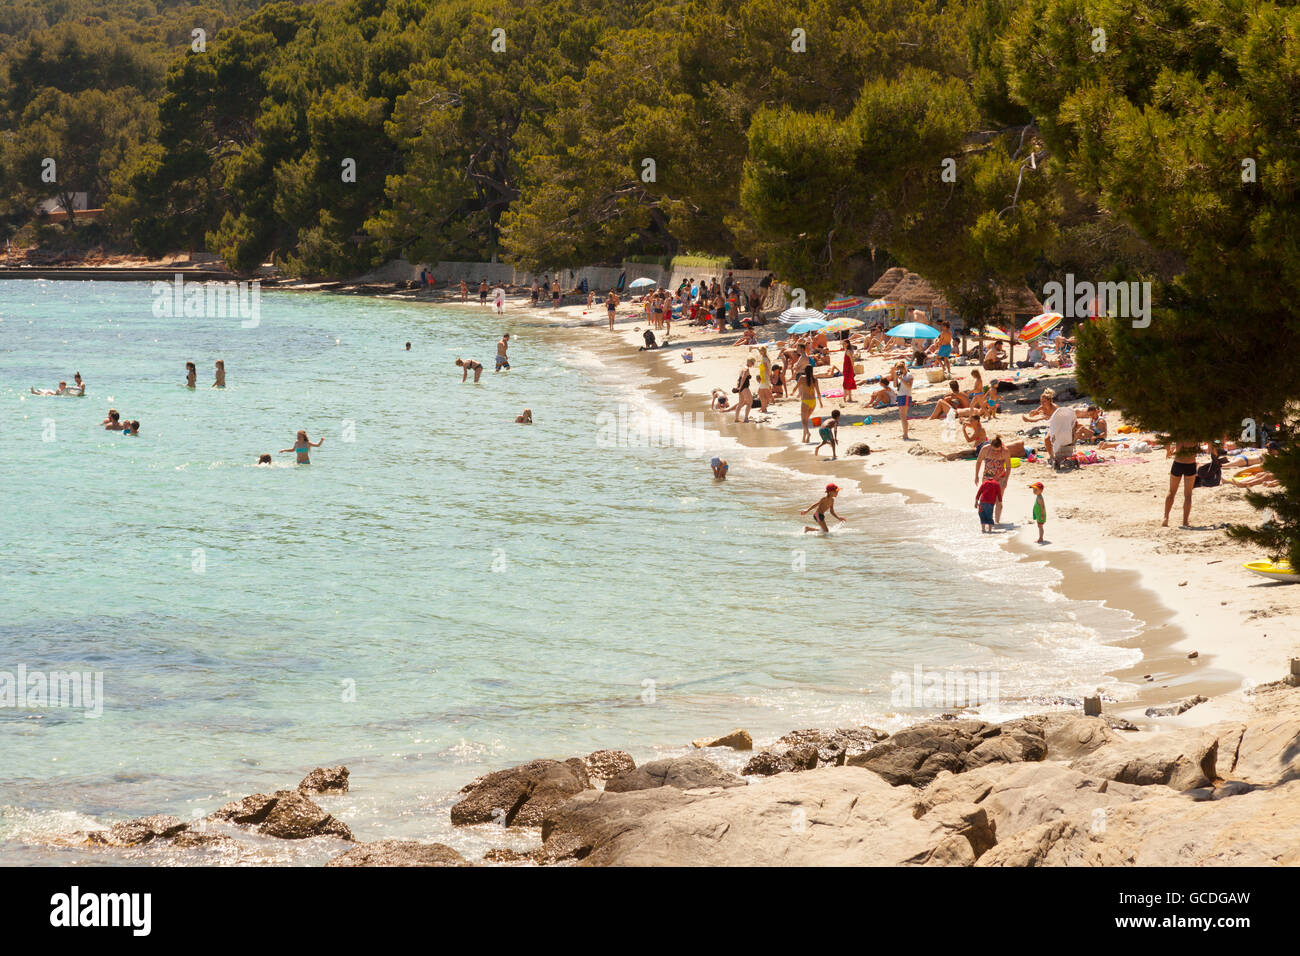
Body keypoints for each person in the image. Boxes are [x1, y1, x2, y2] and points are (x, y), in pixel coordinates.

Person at [975, 436, 1012, 523]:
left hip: (1000, 477)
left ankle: (997, 522)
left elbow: (1008, 467)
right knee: (986, 500)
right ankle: (985, 520)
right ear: (990, 446)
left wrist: (1006, 480)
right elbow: (979, 461)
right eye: (993, 450)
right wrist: (976, 475)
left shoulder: (1005, 451)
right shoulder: (985, 449)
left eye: (998, 450)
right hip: (987, 478)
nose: (995, 452)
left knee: (998, 500)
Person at [1163, 440, 1200, 527]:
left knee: (1172, 491)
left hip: (1178, 463)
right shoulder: (1196, 430)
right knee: (1188, 495)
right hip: (1190, 464)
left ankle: (1165, 518)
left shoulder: (1178, 429)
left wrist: (1168, 451)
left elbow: (1166, 440)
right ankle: (1185, 521)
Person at [796, 365, 823, 442]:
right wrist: (820, 403)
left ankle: (808, 433)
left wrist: (793, 393)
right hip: (813, 402)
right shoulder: (815, 380)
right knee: (806, 420)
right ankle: (805, 438)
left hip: (805, 401)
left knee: (803, 421)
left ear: (805, 370)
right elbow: (818, 393)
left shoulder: (802, 378)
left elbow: (796, 386)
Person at [734, 358, 755, 423]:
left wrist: (738, 387)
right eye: (753, 363)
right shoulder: (746, 369)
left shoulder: (742, 368)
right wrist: (740, 387)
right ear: (749, 362)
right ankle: (746, 418)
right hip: (744, 387)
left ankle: (736, 419)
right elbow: (743, 378)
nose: (753, 365)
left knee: (740, 403)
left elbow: (738, 379)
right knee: (750, 402)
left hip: (740, 387)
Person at [896, 362, 914, 439]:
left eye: (901, 369)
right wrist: (895, 377)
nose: (900, 371)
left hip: (906, 396)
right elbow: (895, 386)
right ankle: (904, 433)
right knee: (902, 416)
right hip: (900, 396)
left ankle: (905, 434)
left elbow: (909, 386)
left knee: (903, 416)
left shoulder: (909, 375)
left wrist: (901, 379)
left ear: (904, 368)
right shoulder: (901, 376)